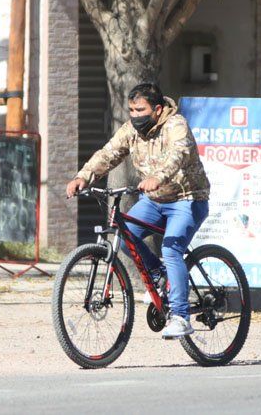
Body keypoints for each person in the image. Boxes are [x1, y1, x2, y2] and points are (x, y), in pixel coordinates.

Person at [65, 83, 211, 338]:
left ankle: (180, 316)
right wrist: (83, 177)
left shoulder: (176, 125)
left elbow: (179, 154)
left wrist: (158, 177)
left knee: (171, 248)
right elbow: (108, 153)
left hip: (187, 199)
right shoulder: (131, 130)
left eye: (140, 110)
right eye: (131, 110)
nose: (134, 115)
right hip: (155, 200)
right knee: (124, 237)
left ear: (157, 109)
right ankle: (157, 275)